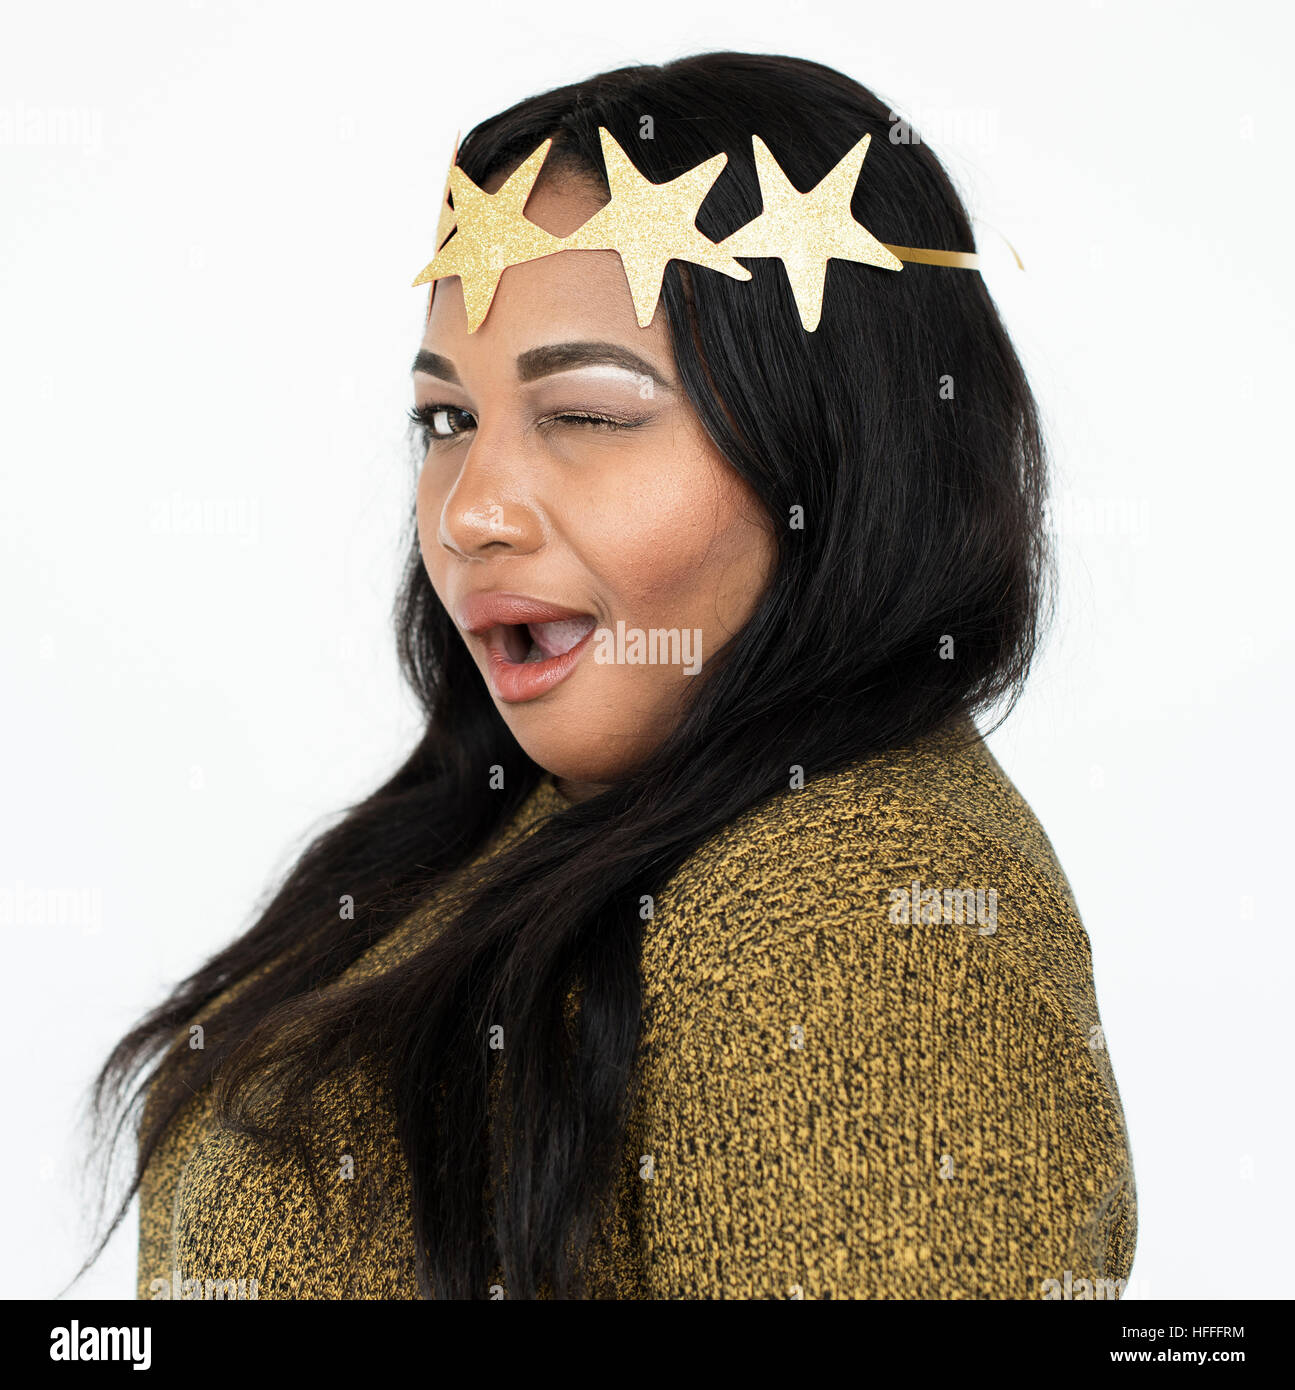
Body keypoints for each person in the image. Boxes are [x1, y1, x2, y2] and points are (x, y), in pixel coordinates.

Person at [84, 50, 1136, 1300]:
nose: (468, 511)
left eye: (584, 413)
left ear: (836, 447)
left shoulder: (864, 922)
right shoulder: (521, 820)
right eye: (445, 421)